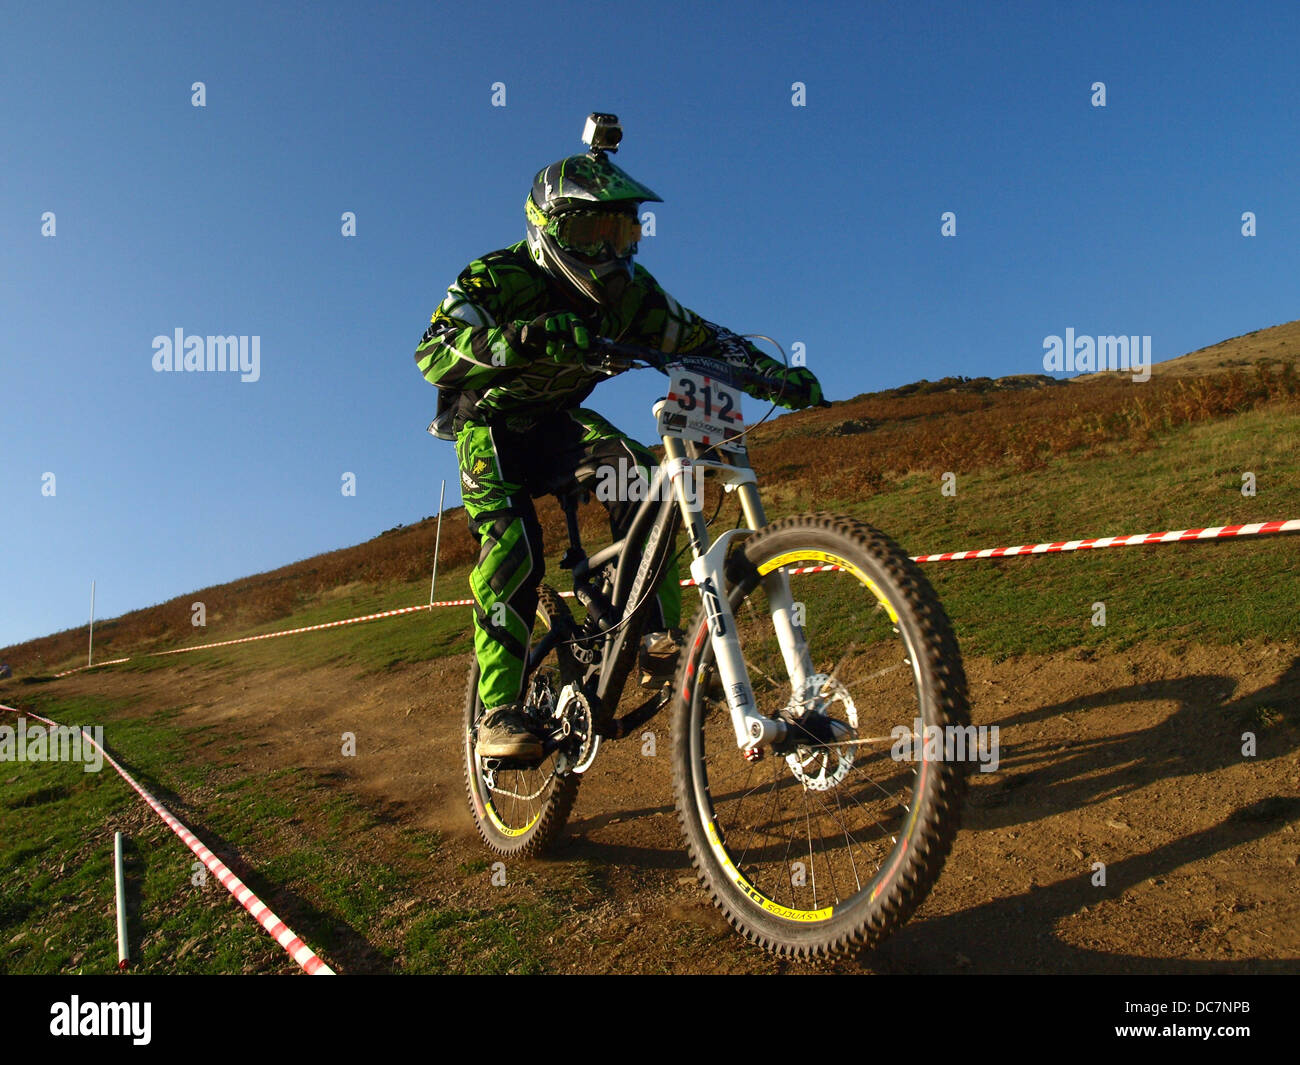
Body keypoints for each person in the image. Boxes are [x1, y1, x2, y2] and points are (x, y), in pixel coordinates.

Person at [414, 115, 823, 760]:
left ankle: (653, 638)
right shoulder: (496, 278)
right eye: (590, 232)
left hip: (559, 424)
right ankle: (498, 710)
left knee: (642, 474)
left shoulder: (632, 296)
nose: (608, 253)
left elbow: (705, 340)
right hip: (491, 424)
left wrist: (775, 376)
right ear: (547, 228)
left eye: (622, 234)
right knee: (516, 550)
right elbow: (432, 352)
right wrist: (516, 339)